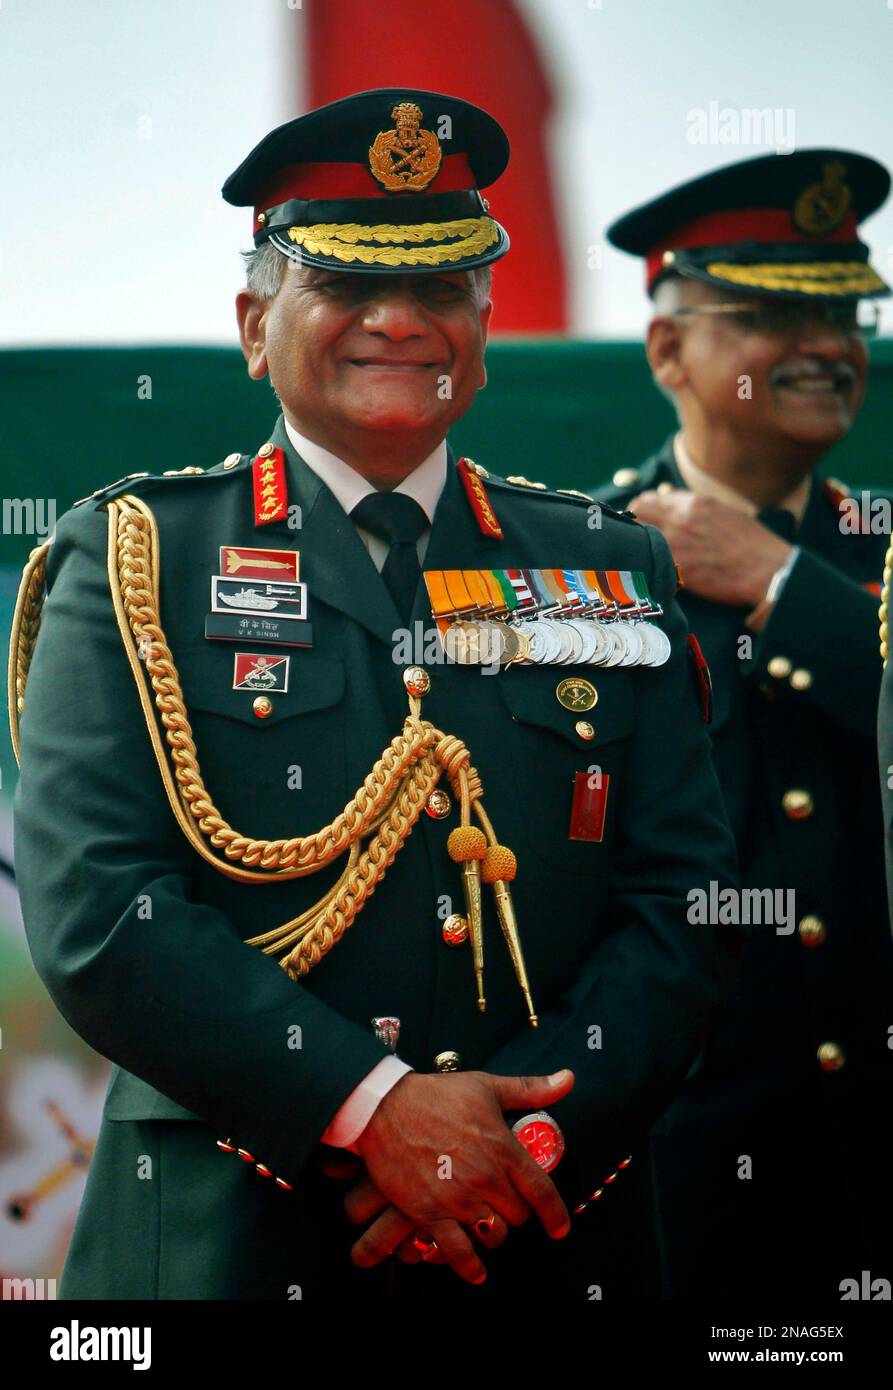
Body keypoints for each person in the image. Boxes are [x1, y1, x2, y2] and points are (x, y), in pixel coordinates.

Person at [11, 88, 737, 1302]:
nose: (399, 321)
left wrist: (518, 1140)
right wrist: (374, 1111)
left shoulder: (606, 566)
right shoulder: (136, 556)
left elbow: (684, 906)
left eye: (443, 288)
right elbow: (100, 910)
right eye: (345, 287)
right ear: (254, 324)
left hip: (541, 1228)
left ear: (484, 321)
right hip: (224, 1236)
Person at [592, 148, 893, 1299]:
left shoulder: (877, 553)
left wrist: (784, 584)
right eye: (775, 311)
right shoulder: (578, 565)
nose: (825, 344)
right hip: (679, 1183)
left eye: (843, 312)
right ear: (667, 348)